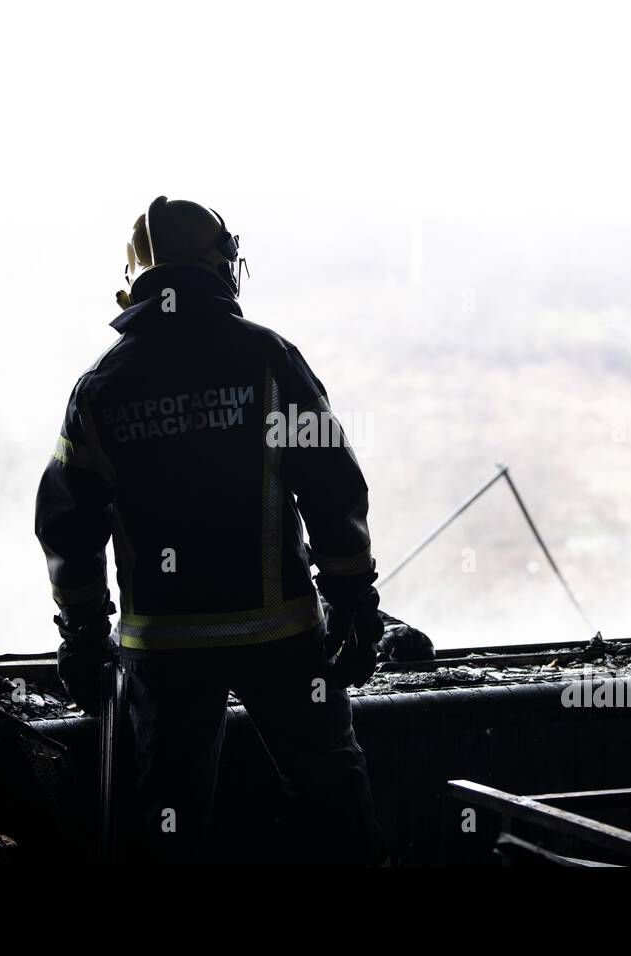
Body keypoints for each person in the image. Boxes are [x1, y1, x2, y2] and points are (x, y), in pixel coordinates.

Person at [34, 196, 385, 865]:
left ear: (134, 282)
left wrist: (82, 632)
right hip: (282, 638)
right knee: (334, 807)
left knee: (167, 829)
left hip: (164, 653)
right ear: (224, 269)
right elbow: (334, 488)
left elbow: (68, 525)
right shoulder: (270, 360)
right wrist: (353, 602)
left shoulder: (102, 388)